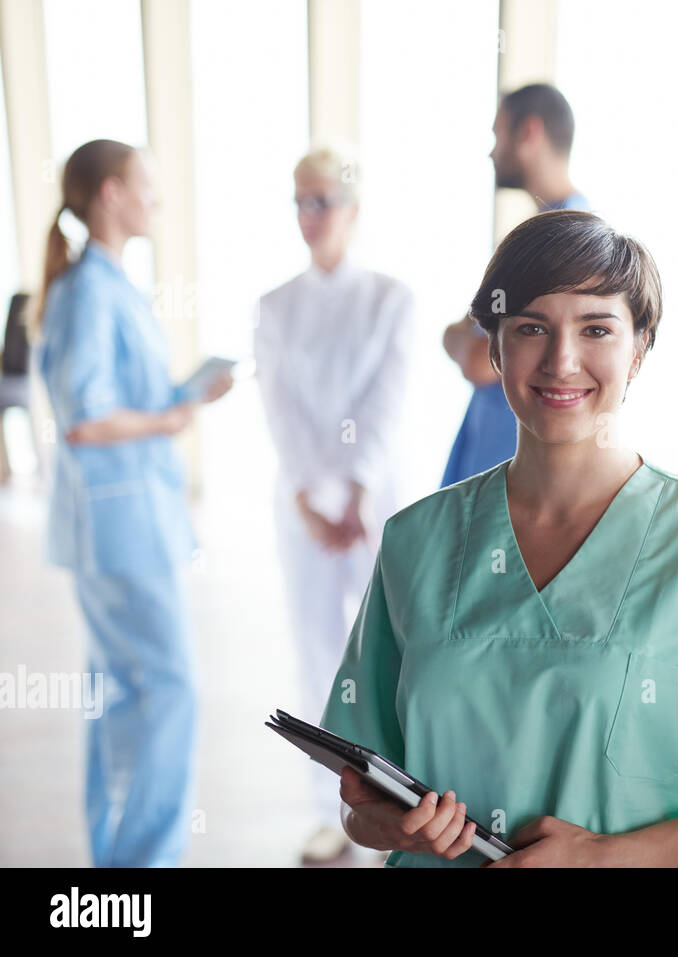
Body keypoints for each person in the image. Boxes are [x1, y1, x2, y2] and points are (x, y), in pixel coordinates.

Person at [322, 210, 678, 867]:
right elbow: (361, 798)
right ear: (493, 349)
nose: (561, 359)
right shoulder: (417, 540)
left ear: (638, 348)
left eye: (597, 328)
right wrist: (397, 827)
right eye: (530, 328)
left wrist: (602, 857)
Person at [34, 139, 232, 867]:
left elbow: (112, 400)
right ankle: (145, 863)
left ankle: (121, 860)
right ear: (111, 194)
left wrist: (181, 397)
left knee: (119, 692)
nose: (156, 198)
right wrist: (170, 420)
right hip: (121, 527)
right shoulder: (90, 289)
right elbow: (86, 418)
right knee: (170, 688)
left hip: (119, 523)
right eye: (146, 185)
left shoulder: (104, 283)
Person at [254, 146, 414, 865]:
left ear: (351, 208)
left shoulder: (390, 297)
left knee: (385, 655)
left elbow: (383, 402)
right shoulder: (274, 304)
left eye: (321, 201)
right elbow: (279, 411)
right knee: (318, 651)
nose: (308, 216)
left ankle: (396, 807)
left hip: (372, 501)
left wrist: (352, 489)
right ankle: (332, 812)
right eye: (299, 201)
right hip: (302, 506)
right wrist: (312, 497)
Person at [441, 83, 591, 488]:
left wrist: (454, 336)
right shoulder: (540, 235)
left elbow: (477, 356)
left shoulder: (561, 242)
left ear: (529, 133)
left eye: (498, 135)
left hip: (511, 471)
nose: (491, 152)